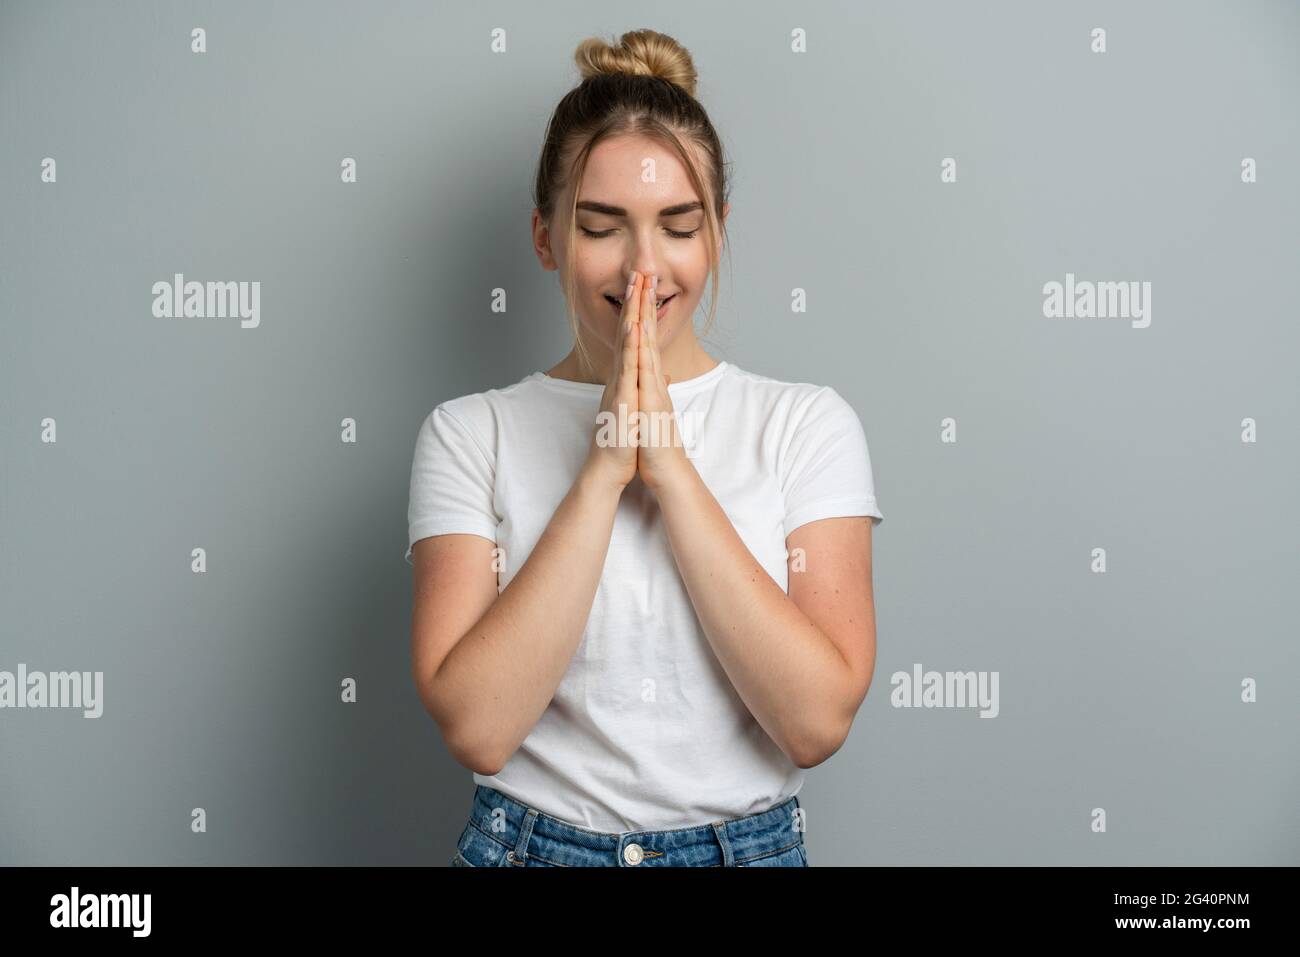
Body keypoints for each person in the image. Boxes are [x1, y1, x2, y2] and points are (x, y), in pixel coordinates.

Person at [407, 28, 883, 867]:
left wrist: (668, 466)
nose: (642, 267)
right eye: (602, 227)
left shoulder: (807, 425)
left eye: (676, 226)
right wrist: (600, 475)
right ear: (546, 237)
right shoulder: (467, 433)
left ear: (717, 233)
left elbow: (815, 722)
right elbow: (478, 728)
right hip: (529, 849)